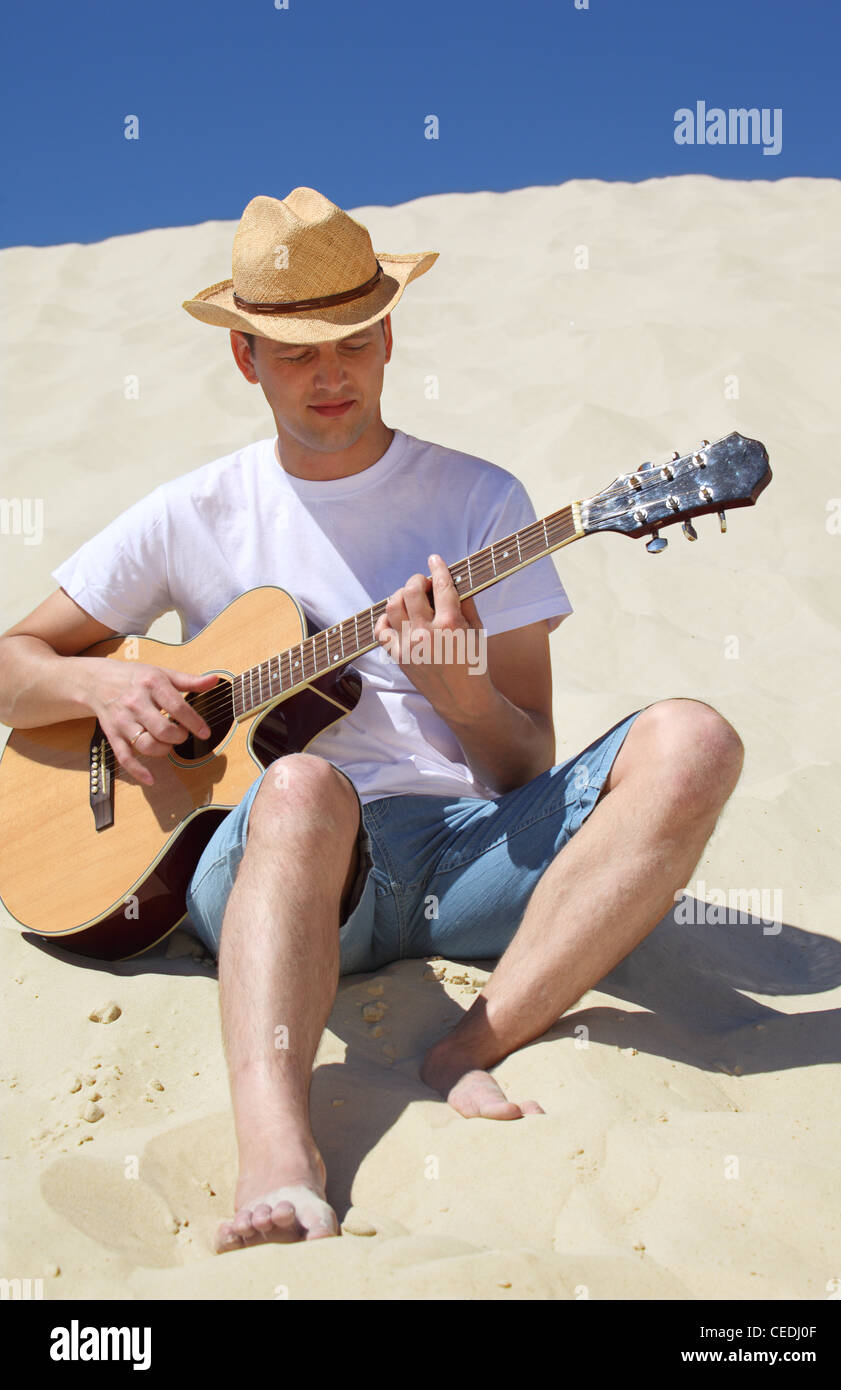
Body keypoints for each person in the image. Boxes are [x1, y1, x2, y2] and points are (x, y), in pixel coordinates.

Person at [0, 187, 744, 1254]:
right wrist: (104, 690)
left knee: (696, 739)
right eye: (296, 351)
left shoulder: (483, 503)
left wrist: (458, 694)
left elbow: (521, 760)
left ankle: (466, 1049)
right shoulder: (191, 511)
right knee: (303, 786)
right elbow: (10, 666)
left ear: (389, 333)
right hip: (276, 859)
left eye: (353, 339)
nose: (331, 373)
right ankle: (277, 1157)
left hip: (457, 855)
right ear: (245, 359)